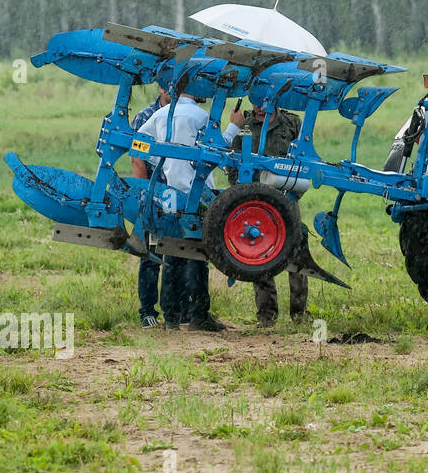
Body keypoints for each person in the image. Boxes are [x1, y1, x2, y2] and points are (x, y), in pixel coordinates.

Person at [144, 76, 228, 332]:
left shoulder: (160, 114)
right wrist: (234, 127)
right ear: (195, 88)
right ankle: (198, 316)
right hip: (198, 194)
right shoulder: (201, 117)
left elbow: (139, 142)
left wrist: (163, 163)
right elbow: (221, 153)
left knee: (172, 253)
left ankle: (172, 315)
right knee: (198, 254)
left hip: (170, 192)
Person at [226, 100, 308, 327]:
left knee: (296, 252)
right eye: (256, 102)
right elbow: (232, 162)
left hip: (286, 200)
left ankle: (300, 313)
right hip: (256, 204)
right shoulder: (244, 124)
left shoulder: (292, 122)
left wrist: (293, 197)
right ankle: (266, 316)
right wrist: (240, 195)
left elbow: (303, 160)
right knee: (259, 254)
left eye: (266, 102)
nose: (260, 108)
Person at [130, 84, 171, 327]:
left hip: (180, 195)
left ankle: (177, 311)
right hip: (154, 195)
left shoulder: (187, 115)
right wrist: (146, 195)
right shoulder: (146, 117)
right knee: (152, 254)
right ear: (160, 86)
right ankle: (148, 312)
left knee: (180, 253)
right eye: (168, 85)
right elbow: (138, 159)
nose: (172, 89)